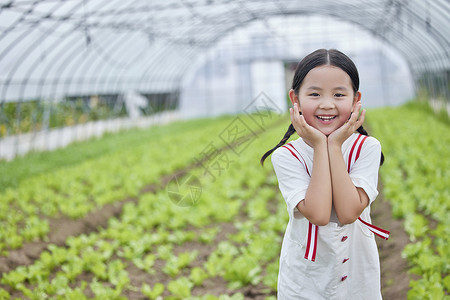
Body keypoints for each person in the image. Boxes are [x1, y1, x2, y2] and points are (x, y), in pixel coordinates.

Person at [261, 49, 389, 299]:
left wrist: (334, 146)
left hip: (357, 275)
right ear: (295, 99)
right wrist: (321, 145)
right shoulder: (287, 156)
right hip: (304, 280)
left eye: (339, 94)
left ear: (356, 99)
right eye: (314, 94)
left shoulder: (367, 148)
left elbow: (349, 212)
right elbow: (318, 214)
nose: (327, 104)